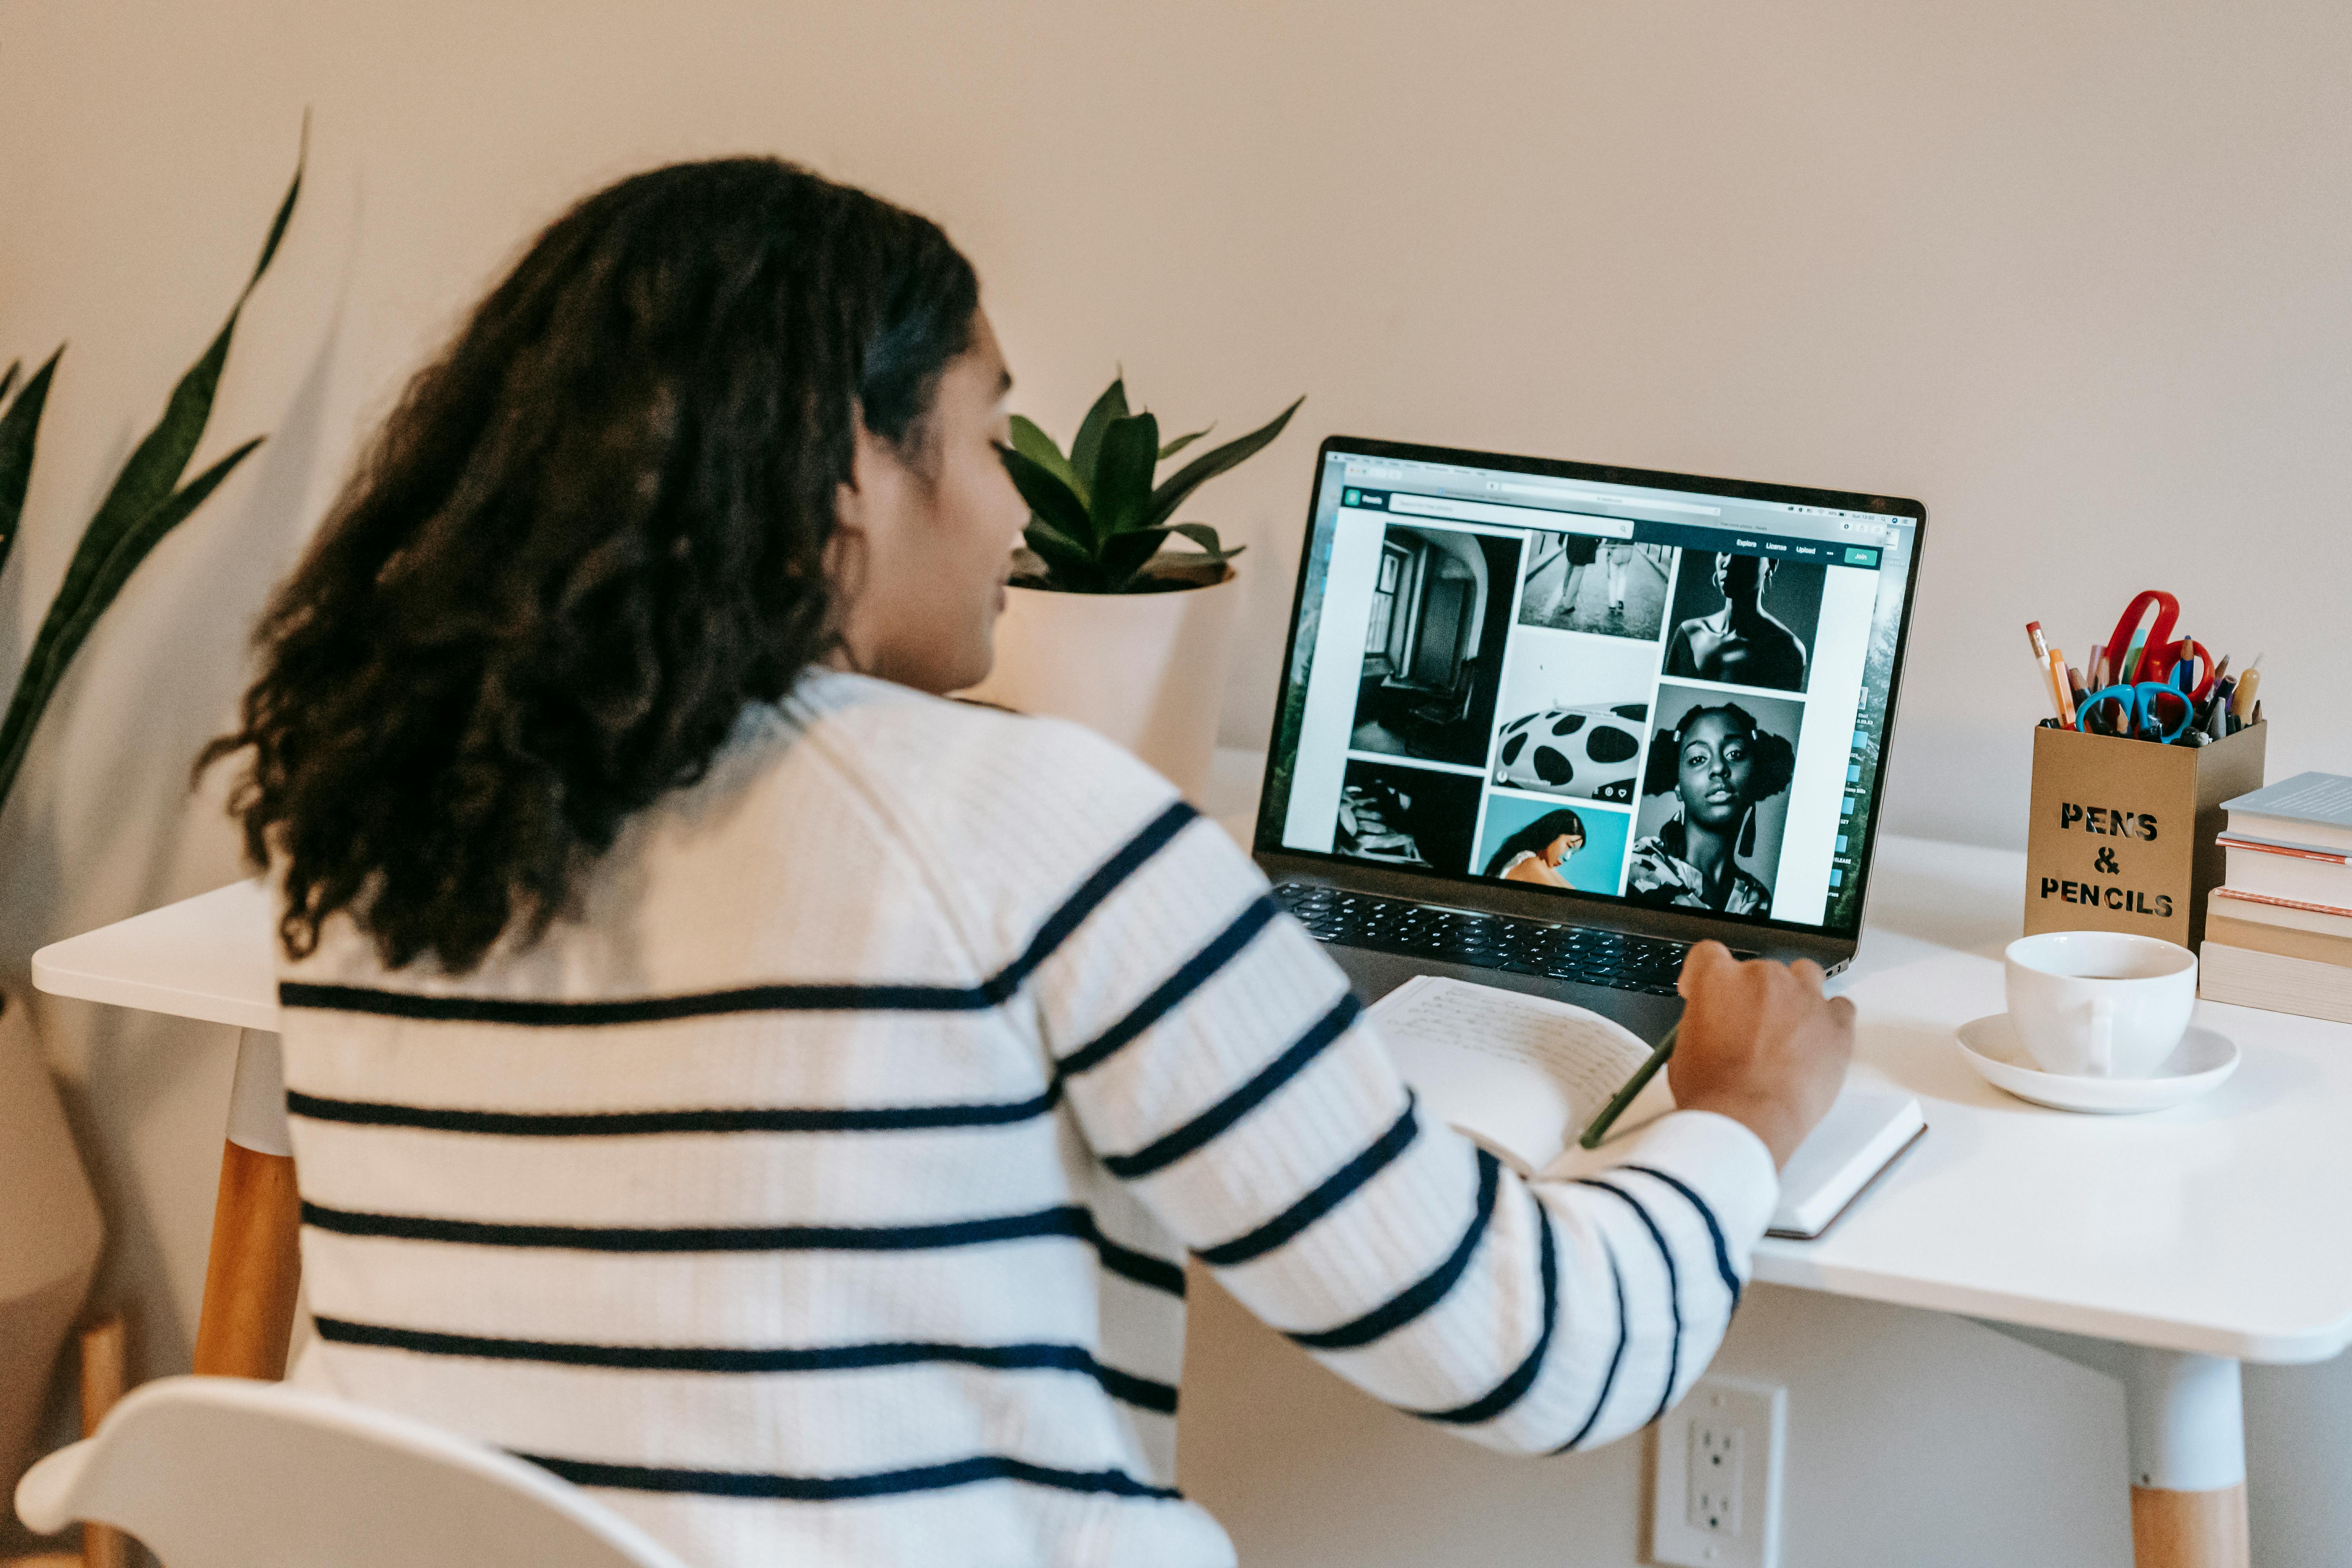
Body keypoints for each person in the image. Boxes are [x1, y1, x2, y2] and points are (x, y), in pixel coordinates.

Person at [200, 158, 1852, 1568]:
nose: (1015, 518)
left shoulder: (370, 833)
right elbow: (1545, 1351)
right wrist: (1738, 1116)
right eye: (989, 440)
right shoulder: (1014, 826)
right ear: (851, 465)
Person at [1627, 703, 1797, 914]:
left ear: (1755, 781)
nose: (1718, 768)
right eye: (1699, 759)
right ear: (1678, 787)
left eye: (1735, 754)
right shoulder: (1639, 863)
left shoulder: (1757, 899)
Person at [1663, 552, 1808, 691]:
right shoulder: (1689, 633)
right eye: (1725, 552)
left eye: (1744, 555)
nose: (1729, 563)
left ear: (1772, 564)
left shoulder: (1786, 649)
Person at [1482, 808, 1588, 887]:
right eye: (1569, 846)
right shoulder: (1530, 862)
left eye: (1573, 853)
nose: (1567, 857)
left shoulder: (1533, 861)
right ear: (1553, 833)